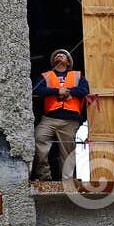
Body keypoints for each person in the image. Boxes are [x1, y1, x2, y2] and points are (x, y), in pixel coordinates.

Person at [33, 49, 90, 184]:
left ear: (68, 61)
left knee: (67, 152)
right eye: (57, 55)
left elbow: (84, 90)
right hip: (49, 118)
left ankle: (67, 180)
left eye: (63, 55)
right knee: (39, 138)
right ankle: (44, 177)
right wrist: (57, 91)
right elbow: (37, 90)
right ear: (53, 61)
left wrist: (69, 91)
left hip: (69, 120)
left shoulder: (77, 75)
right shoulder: (46, 76)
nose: (59, 55)